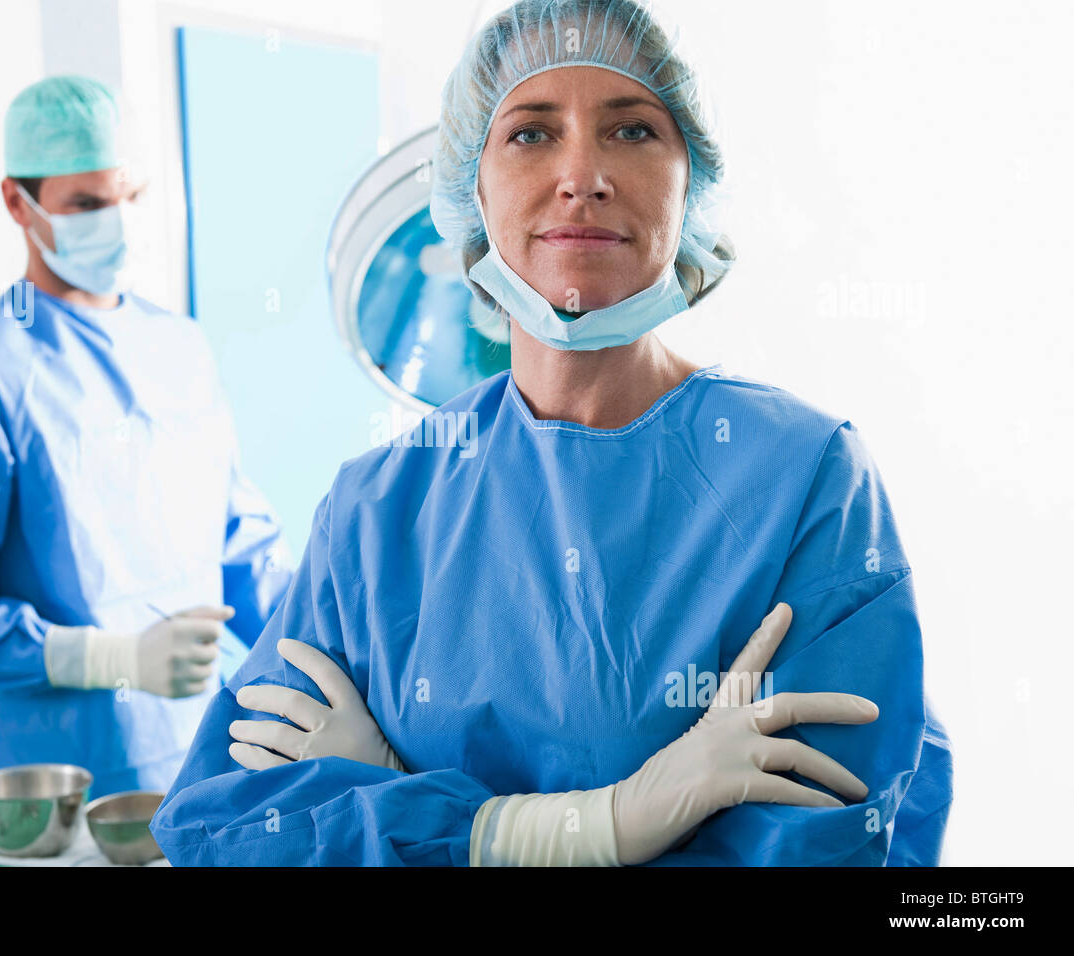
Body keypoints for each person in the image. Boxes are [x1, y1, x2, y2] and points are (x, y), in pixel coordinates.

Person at [150, 0, 953, 865]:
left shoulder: (803, 483)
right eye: (531, 133)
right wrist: (585, 827)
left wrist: (393, 814)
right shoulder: (378, 508)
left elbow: (829, 850)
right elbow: (219, 830)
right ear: (471, 185)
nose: (582, 175)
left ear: (693, 182)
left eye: (633, 130)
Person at [0, 75, 292, 797]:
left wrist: (327, 657)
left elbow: (241, 545)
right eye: (88, 205)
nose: (118, 221)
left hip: (212, 758)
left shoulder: (179, 348)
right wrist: (101, 658)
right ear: (17, 203)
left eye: (130, 195)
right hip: (63, 790)